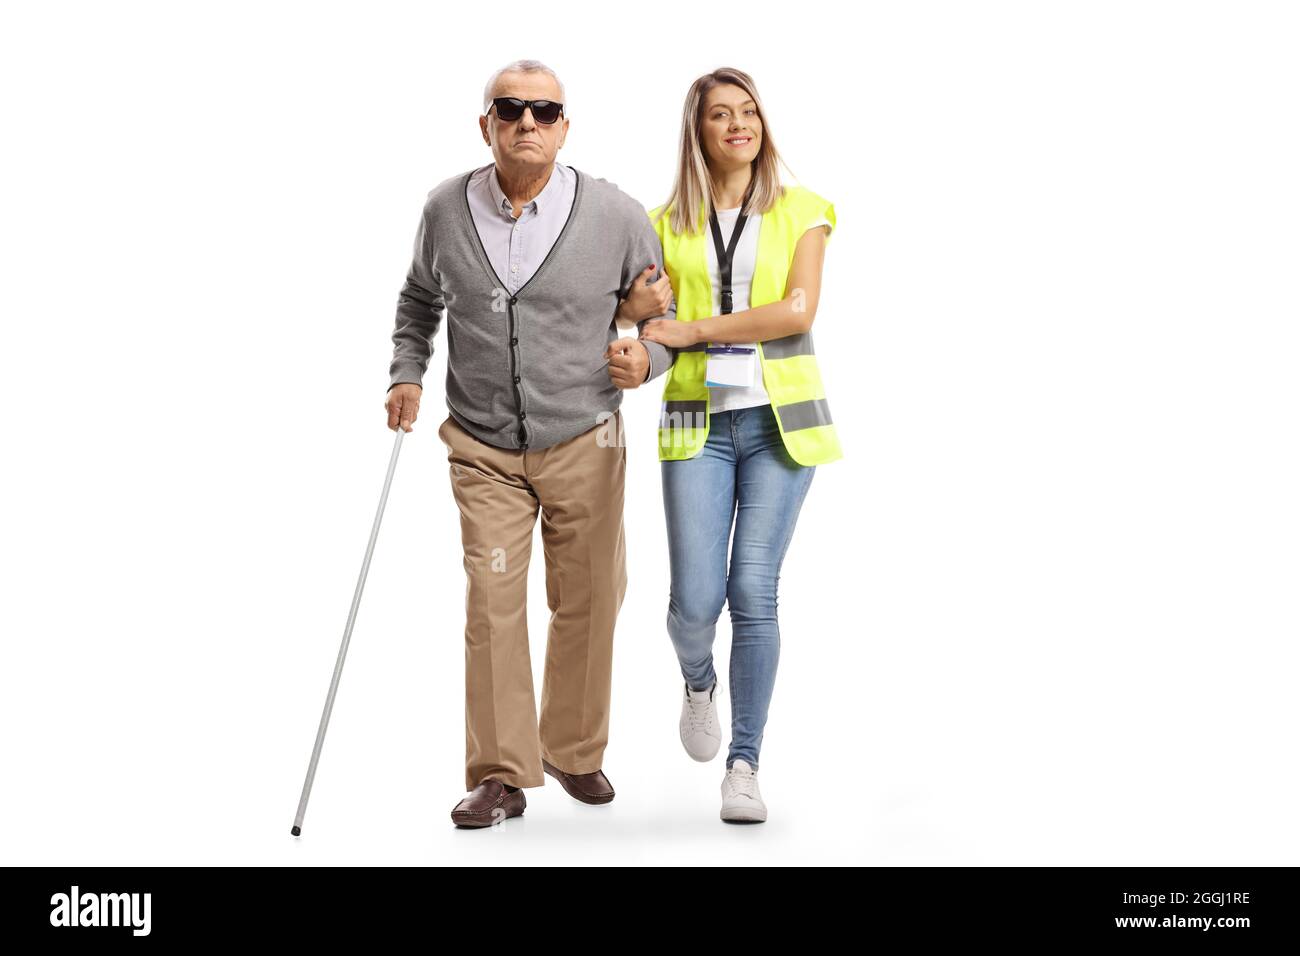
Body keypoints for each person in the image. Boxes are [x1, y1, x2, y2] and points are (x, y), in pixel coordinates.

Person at [383, 59, 676, 828]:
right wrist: (406, 373)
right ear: (485, 124)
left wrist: (650, 357)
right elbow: (419, 297)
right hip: (482, 445)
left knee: (588, 597)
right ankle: (502, 773)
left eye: (544, 112)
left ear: (565, 128)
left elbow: (662, 316)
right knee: (493, 596)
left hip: (586, 435)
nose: (527, 123)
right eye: (509, 109)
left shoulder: (616, 214)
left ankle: (574, 749)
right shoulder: (445, 208)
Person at [622, 66, 842, 823]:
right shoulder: (661, 224)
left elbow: (796, 311)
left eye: (748, 111)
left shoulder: (805, 209)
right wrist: (647, 341)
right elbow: (648, 325)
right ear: (699, 130)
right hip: (697, 423)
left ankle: (744, 764)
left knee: (754, 593)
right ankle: (697, 680)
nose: (738, 125)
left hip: (782, 424)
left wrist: (696, 329)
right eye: (721, 114)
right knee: (694, 602)